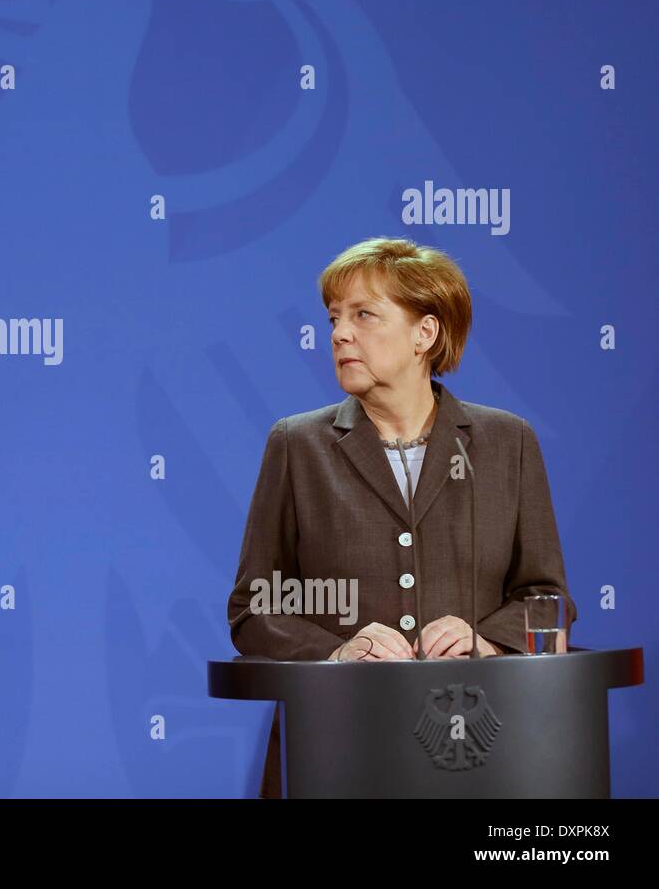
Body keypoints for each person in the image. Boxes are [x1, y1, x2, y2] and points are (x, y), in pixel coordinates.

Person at [227, 237, 574, 797]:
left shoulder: (507, 443)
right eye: (335, 317)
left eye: (364, 314)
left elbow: (546, 597)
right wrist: (336, 652)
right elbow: (253, 609)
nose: (339, 333)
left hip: (477, 749)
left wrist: (483, 640)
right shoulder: (297, 445)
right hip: (336, 746)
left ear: (426, 334)